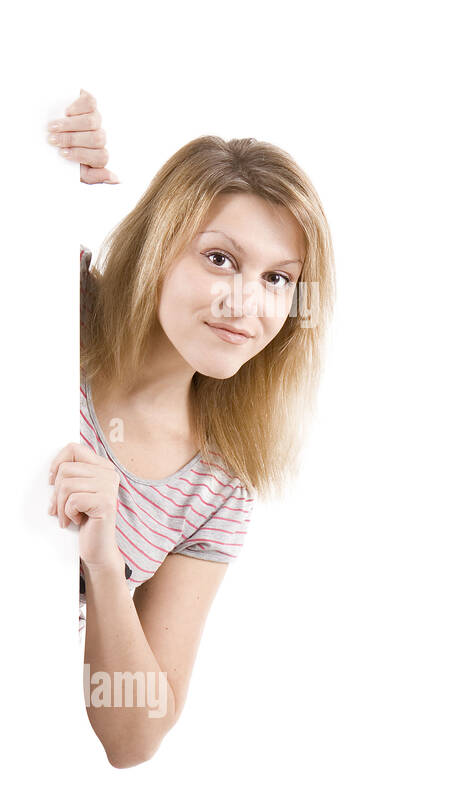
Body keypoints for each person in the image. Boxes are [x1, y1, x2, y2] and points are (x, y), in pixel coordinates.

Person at [50, 114, 335, 768]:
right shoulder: (58, 295)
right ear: (159, 243)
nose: (248, 304)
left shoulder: (216, 491)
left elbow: (134, 738)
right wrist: (52, 155)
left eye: (278, 279)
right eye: (219, 259)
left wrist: (104, 560)